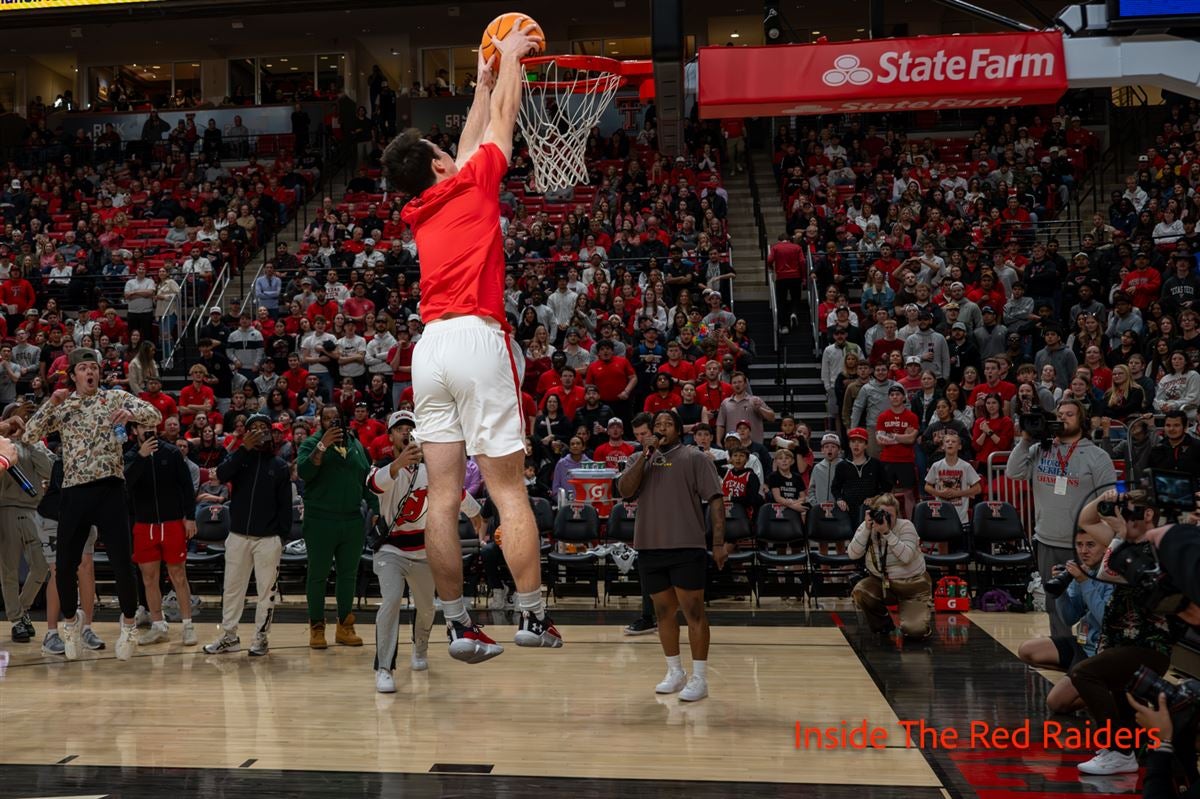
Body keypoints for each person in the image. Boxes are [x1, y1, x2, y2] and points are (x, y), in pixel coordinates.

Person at [382, 24, 562, 658]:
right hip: (477, 336)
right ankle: (533, 616)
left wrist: (479, 84)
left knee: (445, 495)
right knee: (509, 488)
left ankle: (458, 624)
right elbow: (503, 122)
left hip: (427, 349)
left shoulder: (422, 205)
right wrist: (510, 61)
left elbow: (464, 142)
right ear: (438, 164)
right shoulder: (477, 179)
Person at [23, 347, 162, 661]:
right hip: (74, 492)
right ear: (73, 375)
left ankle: (127, 625)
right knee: (65, 566)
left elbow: (156, 415)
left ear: (99, 372)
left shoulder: (114, 398)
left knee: (122, 564)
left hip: (111, 489)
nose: (90, 372)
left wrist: (133, 414)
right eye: (83, 368)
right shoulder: (64, 405)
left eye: (94, 368)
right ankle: (70, 624)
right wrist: (50, 404)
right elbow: (30, 435)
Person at [1068, 490, 1193, 776]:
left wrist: (1119, 534)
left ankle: (1118, 750)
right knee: (1118, 692)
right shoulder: (1128, 540)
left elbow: (1109, 571)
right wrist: (1106, 498)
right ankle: (1127, 749)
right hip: (1121, 640)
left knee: (1084, 674)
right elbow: (1087, 519)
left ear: (1147, 515)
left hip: (1148, 644)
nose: (1120, 514)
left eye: (1128, 510)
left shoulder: (1158, 547)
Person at [367, 410, 486, 690]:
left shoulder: (431, 469)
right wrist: (398, 463)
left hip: (424, 550)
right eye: (400, 428)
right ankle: (384, 667)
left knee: (426, 608)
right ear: (391, 435)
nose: (405, 432)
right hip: (391, 550)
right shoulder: (383, 467)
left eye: (410, 427)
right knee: (392, 600)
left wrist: (477, 515)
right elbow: (373, 485)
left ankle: (420, 648)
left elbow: (456, 491)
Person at [616, 410, 725, 702]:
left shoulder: (694, 457)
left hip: (686, 545)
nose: (662, 428)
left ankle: (700, 678)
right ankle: (675, 672)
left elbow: (716, 500)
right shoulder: (641, 458)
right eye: (657, 424)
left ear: (679, 430)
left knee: (694, 613)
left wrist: (718, 543)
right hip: (650, 546)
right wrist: (644, 455)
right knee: (663, 612)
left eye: (668, 424)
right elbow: (625, 491)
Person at [1006, 399, 1117, 638]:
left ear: (1082, 421)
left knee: (1089, 602)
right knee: (1055, 603)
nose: (1064, 418)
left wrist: (1102, 545)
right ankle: (1062, 650)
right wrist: (1027, 438)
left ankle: (1090, 653)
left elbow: (1108, 504)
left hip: (1084, 546)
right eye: (1060, 414)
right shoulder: (1041, 449)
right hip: (1046, 540)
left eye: (1070, 414)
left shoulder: (1097, 456)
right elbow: (1013, 472)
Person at [203, 414, 293, 657]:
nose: (259, 432)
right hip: (238, 536)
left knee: (266, 592)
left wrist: (280, 538)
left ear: (271, 433)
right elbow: (221, 474)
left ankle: (261, 637)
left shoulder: (280, 466)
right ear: (246, 433)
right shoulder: (240, 460)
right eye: (254, 428)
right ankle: (229, 636)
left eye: (264, 428)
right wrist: (243, 449)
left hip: (268, 540)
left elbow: (286, 507)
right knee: (232, 589)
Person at [297, 405, 378, 649]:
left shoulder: (356, 445)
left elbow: (366, 480)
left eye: (336, 418)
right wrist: (323, 446)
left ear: (344, 420)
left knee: (348, 575)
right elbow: (304, 472)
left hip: (352, 519)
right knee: (318, 575)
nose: (332, 422)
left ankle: (345, 626)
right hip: (320, 519)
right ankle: (317, 627)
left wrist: (376, 509)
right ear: (319, 422)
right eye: (327, 418)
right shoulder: (311, 444)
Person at [1015, 527, 1111, 713]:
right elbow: (1069, 618)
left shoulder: (1112, 575)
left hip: (1104, 650)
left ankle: (1101, 690)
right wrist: (1061, 592)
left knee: (1056, 703)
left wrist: (1084, 582)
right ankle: (1082, 682)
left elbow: (1106, 621)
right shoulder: (1081, 570)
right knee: (1027, 650)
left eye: (1090, 545)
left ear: (1106, 547)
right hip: (1084, 645)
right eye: (1079, 545)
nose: (1083, 551)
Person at [123, 422, 198, 647]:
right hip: (144, 524)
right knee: (149, 578)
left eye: (152, 425)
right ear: (135, 430)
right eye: (143, 426)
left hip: (172, 521)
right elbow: (125, 484)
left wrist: (190, 517)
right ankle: (158, 625)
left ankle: (188, 626)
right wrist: (141, 457)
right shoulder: (130, 456)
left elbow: (186, 486)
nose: (149, 430)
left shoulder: (172, 452)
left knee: (178, 575)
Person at [847, 493, 932, 640]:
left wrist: (887, 533)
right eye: (881, 513)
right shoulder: (868, 526)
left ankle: (918, 621)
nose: (885, 518)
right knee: (861, 592)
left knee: (914, 631)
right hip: (883, 583)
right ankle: (884, 624)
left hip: (913, 585)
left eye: (889, 515)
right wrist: (867, 530)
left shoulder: (906, 526)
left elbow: (906, 557)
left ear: (897, 515)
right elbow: (853, 554)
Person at [0, 411, 50, 643]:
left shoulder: (35, 444)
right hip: (7, 508)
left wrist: (31, 442)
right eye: (18, 418)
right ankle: (17, 620)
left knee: (42, 567)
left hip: (34, 509)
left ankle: (21, 611)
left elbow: (50, 471)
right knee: (8, 570)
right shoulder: (2, 444)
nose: (22, 422)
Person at [832, 427, 890, 525]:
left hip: (871, 509)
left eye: (860, 441)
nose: (856, 444)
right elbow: (835, 488)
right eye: (853, 441)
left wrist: (874, 498)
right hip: (848, 510)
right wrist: (839, 499)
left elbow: (887, 487)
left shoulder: (876, 464)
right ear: (849, 444)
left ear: (866, 445)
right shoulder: (842, 466)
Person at [922, 430, 981, 525]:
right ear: (942, 446)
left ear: (959, 446)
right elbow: (927, 486)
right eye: (947, 441)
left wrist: (958, 493)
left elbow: (977, 488)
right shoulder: (936, 466)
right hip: (941, 514)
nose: (950, 443)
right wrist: (939, 493)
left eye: (953, 442)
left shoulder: (966, 466)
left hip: (961, 517)